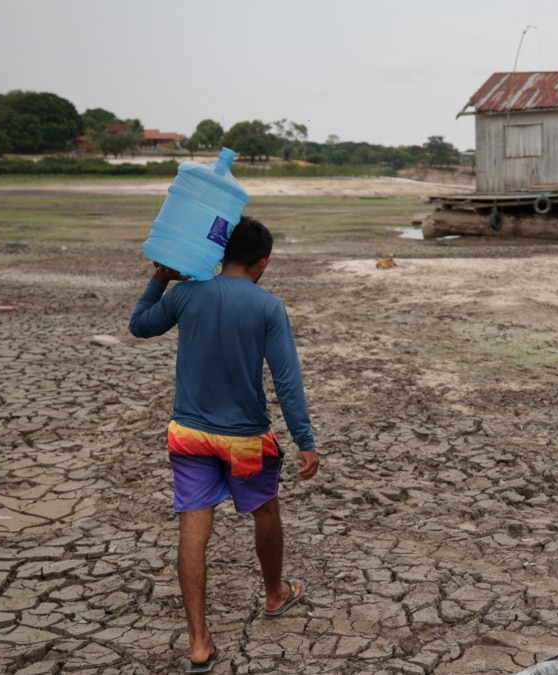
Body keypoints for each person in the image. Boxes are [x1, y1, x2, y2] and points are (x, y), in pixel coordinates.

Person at [129, 215, 319, 674]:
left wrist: (160, 278)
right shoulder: (268, 306)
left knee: (193, 531)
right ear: (264, 262)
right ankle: (274, 595)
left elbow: (139, 326)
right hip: (245, 440)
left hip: (189, 436)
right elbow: (287, 381)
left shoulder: (186, 294)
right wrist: (305, 440)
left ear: (221, 253)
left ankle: (199, 642)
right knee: (266, 512)